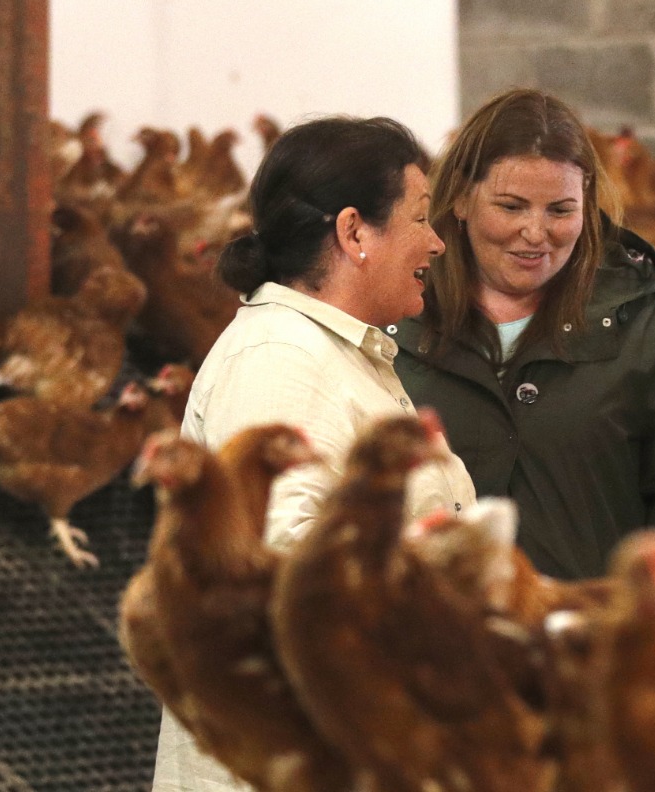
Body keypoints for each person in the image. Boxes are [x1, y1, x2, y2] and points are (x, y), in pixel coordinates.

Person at [153, 116, 476, 791]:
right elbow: (288, 582)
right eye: (421, 217)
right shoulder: (280, 360)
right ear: (354, 232)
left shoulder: (325, 353)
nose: (437, 241)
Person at [391, 88, 655, 580]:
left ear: (586, 204)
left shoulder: (642, 317)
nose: (536, 233)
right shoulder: (400, 313)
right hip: (439, 622)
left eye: (560, 210)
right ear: (463, 198)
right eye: (511, 207)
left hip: (593, 622)